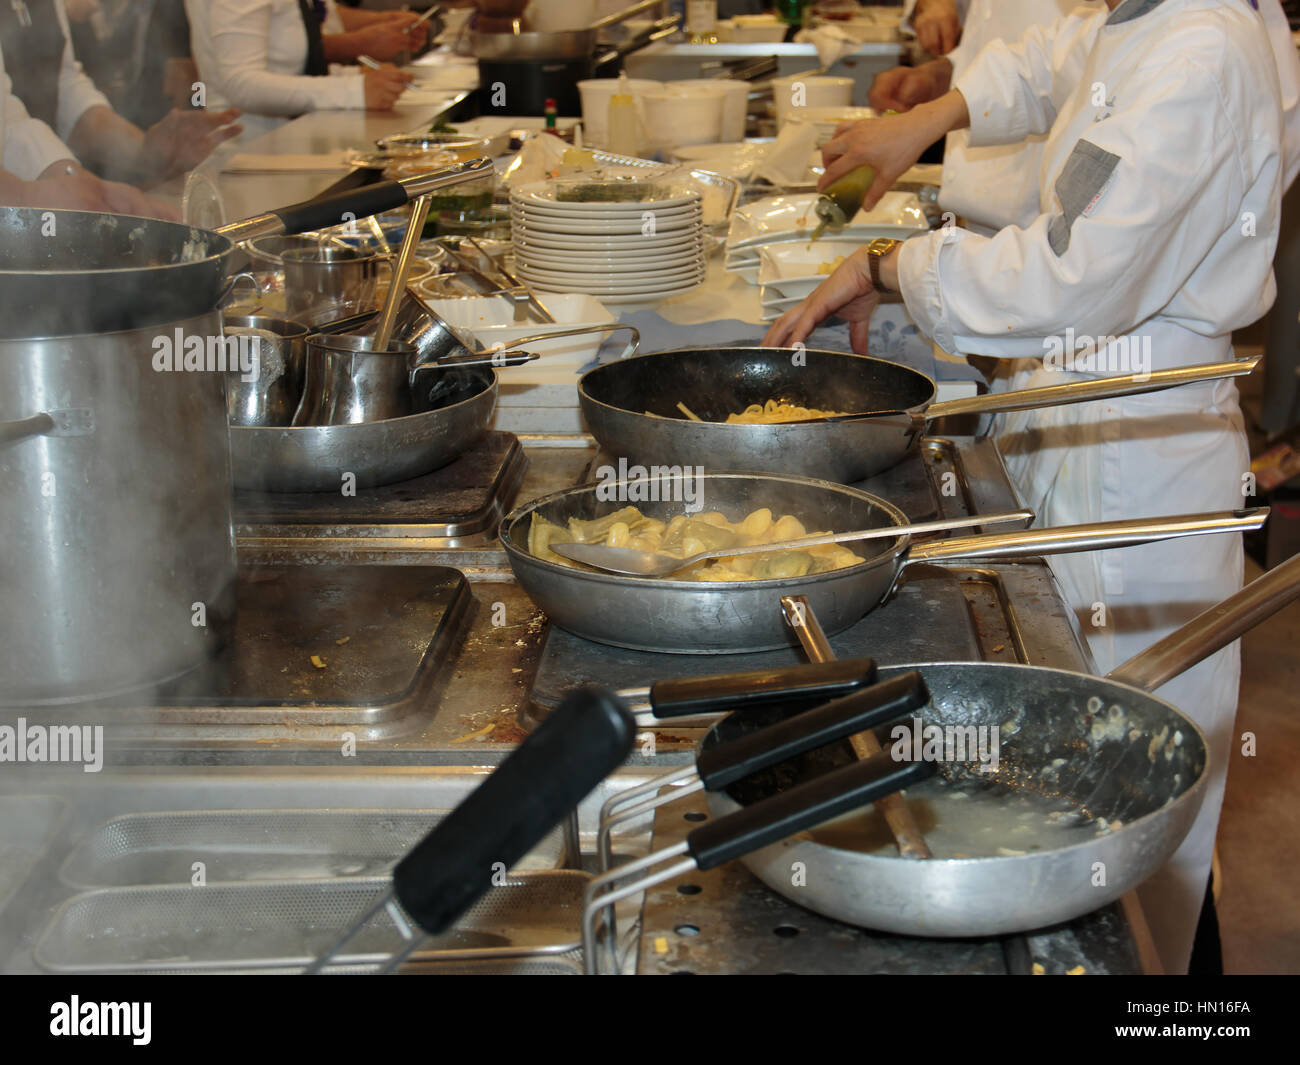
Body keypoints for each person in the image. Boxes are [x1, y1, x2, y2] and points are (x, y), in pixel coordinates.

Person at [764, 0, 1284, 974]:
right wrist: (932, 119)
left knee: (1118, 803)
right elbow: (1051, 60)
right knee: (1059, 771)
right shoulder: (1144, 18)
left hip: (1136, 470)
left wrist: (892, 265)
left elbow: (1070, 279)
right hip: (1083, 418)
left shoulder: (1202, 50)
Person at [877, 0, 1080, 234]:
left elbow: (1067, 60)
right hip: (976, 209)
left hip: (1040, 217)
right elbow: (994, 32)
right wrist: (946, 74)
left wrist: (927, 119)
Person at [187, 0, 427, 136]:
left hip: (287, 147)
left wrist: (356, 76)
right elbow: (241, 85)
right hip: (247, 154)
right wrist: (353, 90)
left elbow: (289, 62)